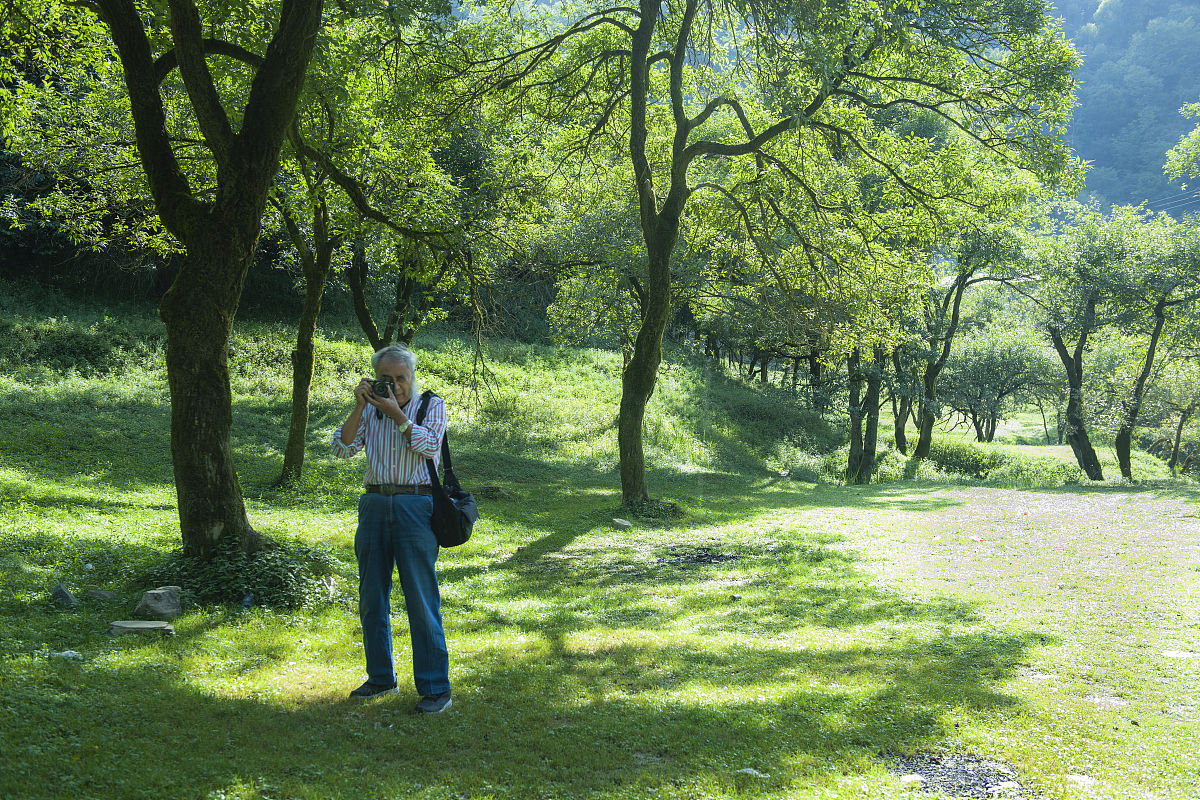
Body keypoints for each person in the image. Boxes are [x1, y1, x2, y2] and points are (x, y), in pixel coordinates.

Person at [332, 344, 452, 713]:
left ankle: (435, 689)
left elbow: (430, 446)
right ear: (375, 378)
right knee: (371, 597)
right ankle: (381, 678)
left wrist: (398, 415)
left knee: (420, 598)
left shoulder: (430, 405)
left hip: (415, 503)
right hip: (373, 503)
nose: (396, 385)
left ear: (412, 377)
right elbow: (342, 448)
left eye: (402, 378)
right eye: (387, 379)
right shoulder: (369, 409)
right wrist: (361, 405)